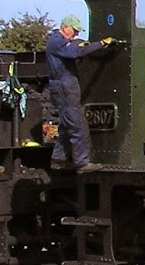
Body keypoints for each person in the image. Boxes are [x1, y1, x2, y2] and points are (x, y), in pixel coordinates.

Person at [45, 15, 114, 171]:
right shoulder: (57, 42)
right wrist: (100, 44)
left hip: (63, 86)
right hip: (64, 87)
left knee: (66, 124)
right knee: (77, 125)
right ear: (65, 27)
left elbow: (74, 48)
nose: (75, 34)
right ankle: (81, 162)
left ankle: (58, 159)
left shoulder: (59, 41)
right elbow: (76, 52)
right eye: (74, 31)